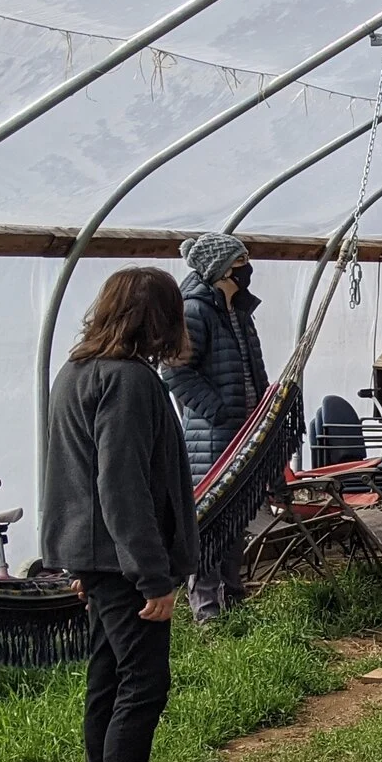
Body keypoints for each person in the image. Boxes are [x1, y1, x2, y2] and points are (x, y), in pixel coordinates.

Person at [41, 267, 201, 762]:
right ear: (158, 320)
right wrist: (151, 576)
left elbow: (73, 477)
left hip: (96, 557)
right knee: (143, 685)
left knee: (108, 679)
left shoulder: (76, 370)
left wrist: (79, 559)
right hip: (123, 562)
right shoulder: (130, 381)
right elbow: (122, 485)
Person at [160, 231, 269, 621]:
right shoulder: (195, 309)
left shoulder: (238, 309)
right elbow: (176, 372)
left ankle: (232, 601)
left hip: (242, 432)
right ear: (220, 268)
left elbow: (252, 368)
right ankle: (207, 611)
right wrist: (218, 411)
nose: (247, 269)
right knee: (209, 522)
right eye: (240, 262)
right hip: (213, 436)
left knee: (235, 518)